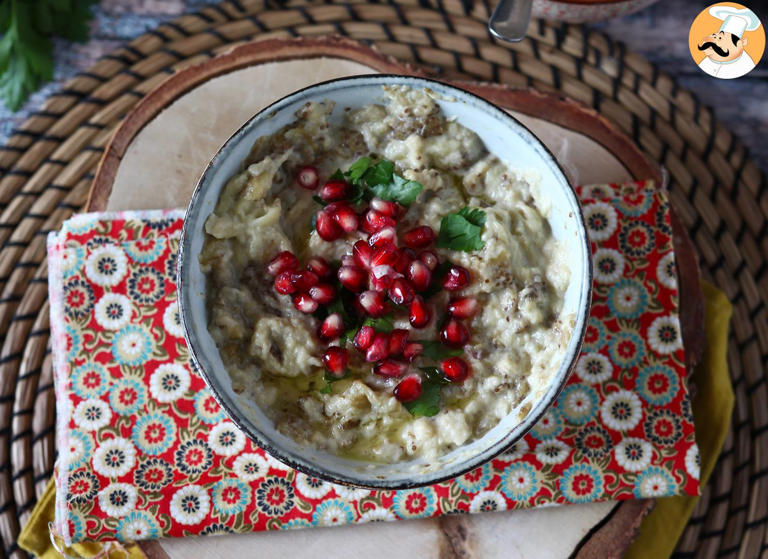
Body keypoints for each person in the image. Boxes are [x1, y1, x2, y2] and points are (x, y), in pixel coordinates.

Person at [697, 5, 761, 79]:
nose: (713, 42)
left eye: (720, 38)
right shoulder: (706, 61)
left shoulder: (746, 66)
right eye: (714, 36)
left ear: (741, 43)